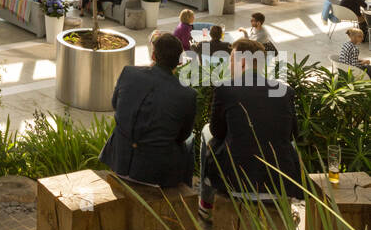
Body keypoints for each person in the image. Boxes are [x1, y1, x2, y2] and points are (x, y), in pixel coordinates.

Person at [198, 37, 302, 219]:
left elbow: (217, 132)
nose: (229, 66)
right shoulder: (285, 90)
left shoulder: (225, 89)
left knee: (206, 132)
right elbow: (293, 134)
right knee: (288, 145)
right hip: (278, 185)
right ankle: (288, 203)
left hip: (236, 183)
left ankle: (206, 203)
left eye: (231, 60)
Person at [99, 33, 197, 188]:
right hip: (154, 174)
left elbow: (115, 104)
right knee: (190, 139)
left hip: (118, 161)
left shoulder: (128, 73)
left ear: (153, 55)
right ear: (179, 63)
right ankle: (190, 192)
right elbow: (182, 136)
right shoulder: (188, 94)